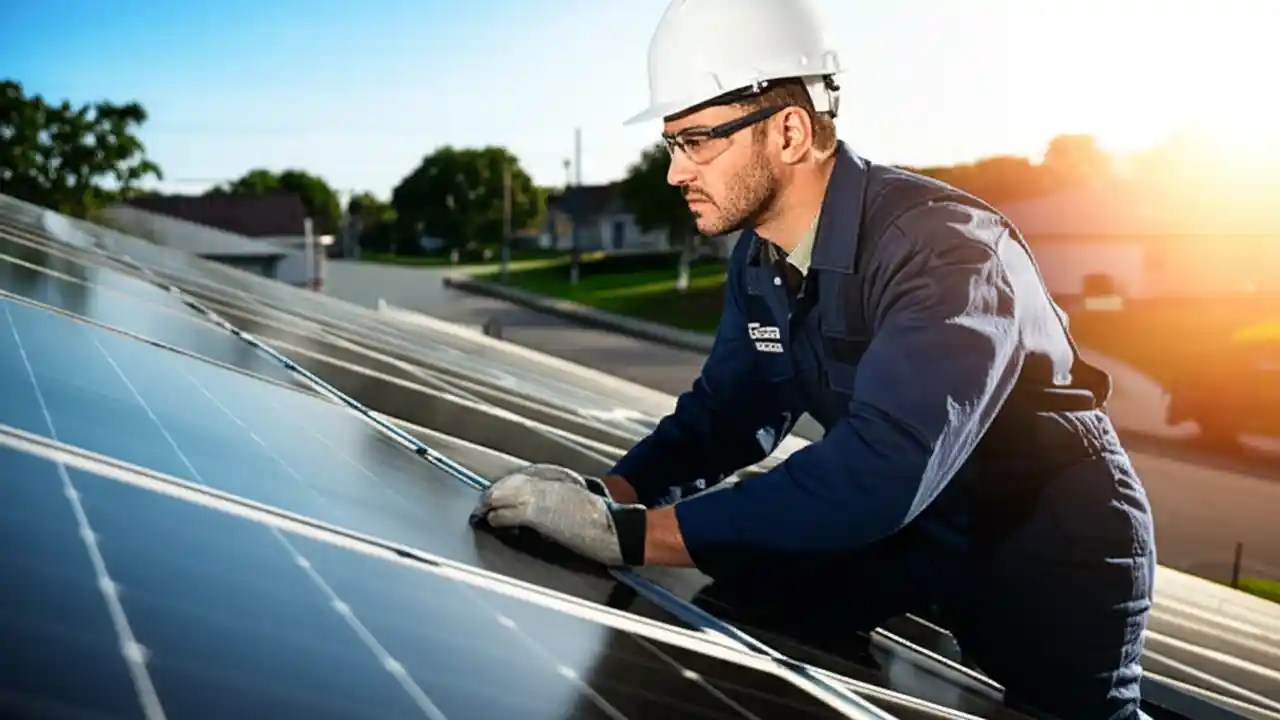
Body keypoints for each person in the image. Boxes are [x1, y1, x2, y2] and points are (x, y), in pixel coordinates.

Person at [472, 1, 1156, 716]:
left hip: (1045, 531)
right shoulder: (760, 260)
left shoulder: (945, 248)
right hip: (913, 522)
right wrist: (614, 491)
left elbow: (884, 465)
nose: (675, 173)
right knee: (756, 605)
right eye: (671, 145)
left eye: (696, 141)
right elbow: (727, 416)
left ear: (790, 131)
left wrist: (632, 537)